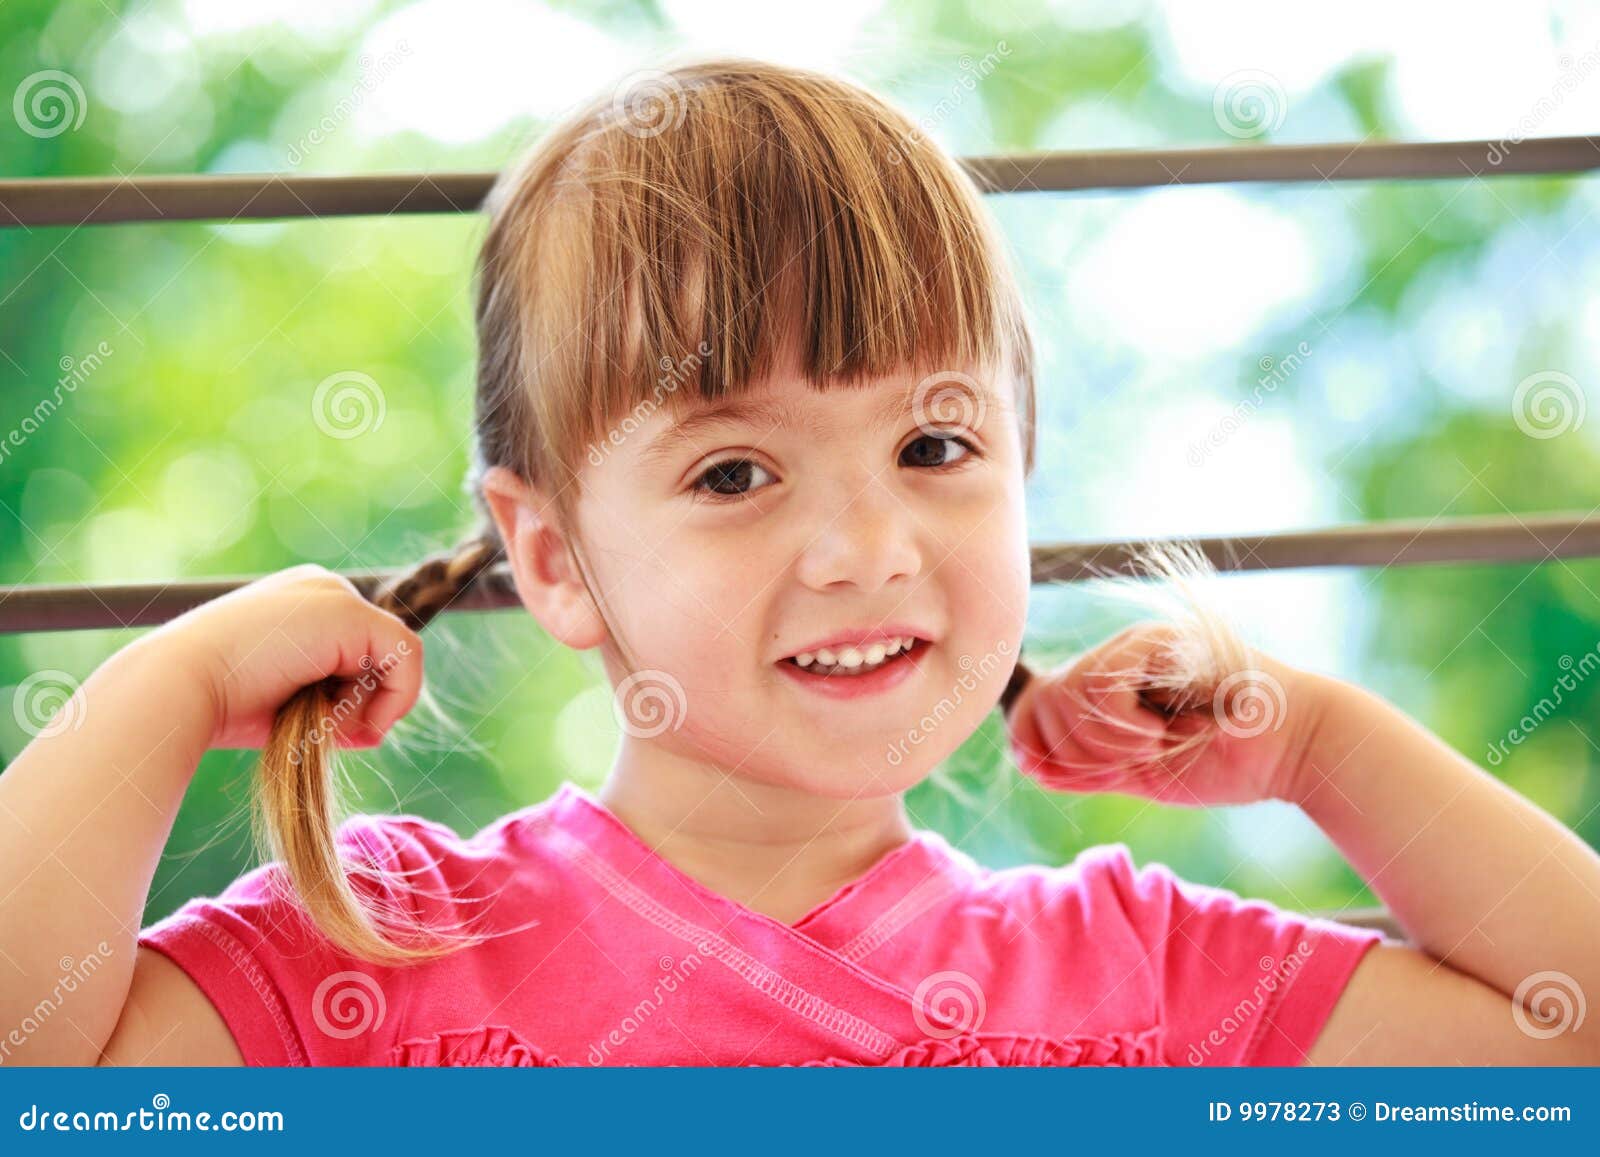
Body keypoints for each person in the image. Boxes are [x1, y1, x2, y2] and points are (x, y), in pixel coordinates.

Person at [3, 57, 1596, 1068]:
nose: (863, 547)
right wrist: (166, 685)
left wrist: (1320, 746)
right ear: (553, 558)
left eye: (934, 447)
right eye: (736, 470)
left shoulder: (1141, 982)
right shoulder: (383, 952)